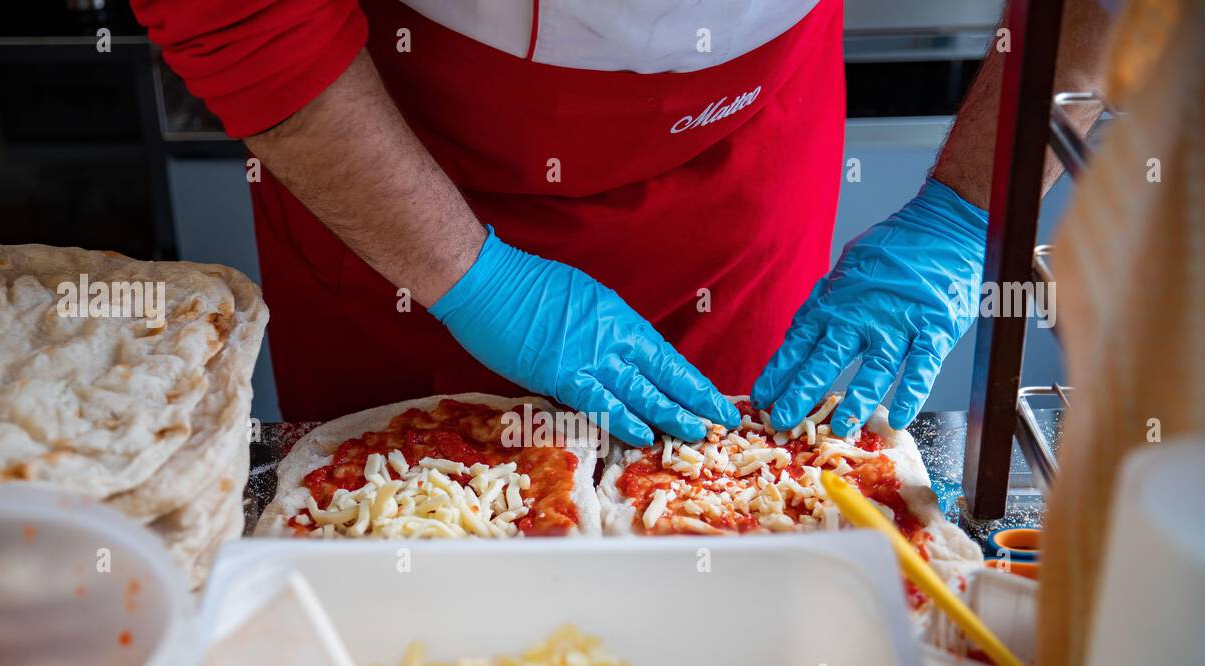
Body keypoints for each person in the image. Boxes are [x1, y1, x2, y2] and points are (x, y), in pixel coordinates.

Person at [133, 0, 1110, 443]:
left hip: (742, 147)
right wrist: (470, 277)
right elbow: (241, 11)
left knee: (731, 517)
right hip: (400, 138)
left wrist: (962, 208)